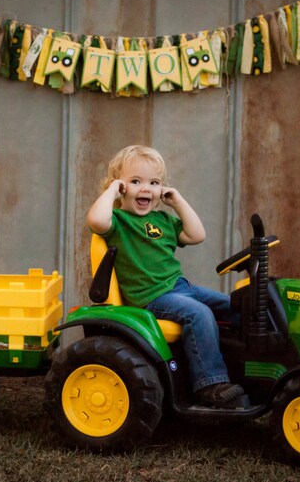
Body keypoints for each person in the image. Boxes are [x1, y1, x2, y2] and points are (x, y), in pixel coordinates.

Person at [86, 144, 244, 408]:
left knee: (236, 306)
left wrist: (177, 201)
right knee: (199, 314)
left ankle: (243, 370)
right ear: (121, 187)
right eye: (135, 181)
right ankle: (210, 383)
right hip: (151, 297)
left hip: (181, 287)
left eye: (154, 182)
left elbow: (196, 235)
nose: (146, 188)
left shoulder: (164, 220)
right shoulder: (118, 221)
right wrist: (111, 190)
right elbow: (96, 221)